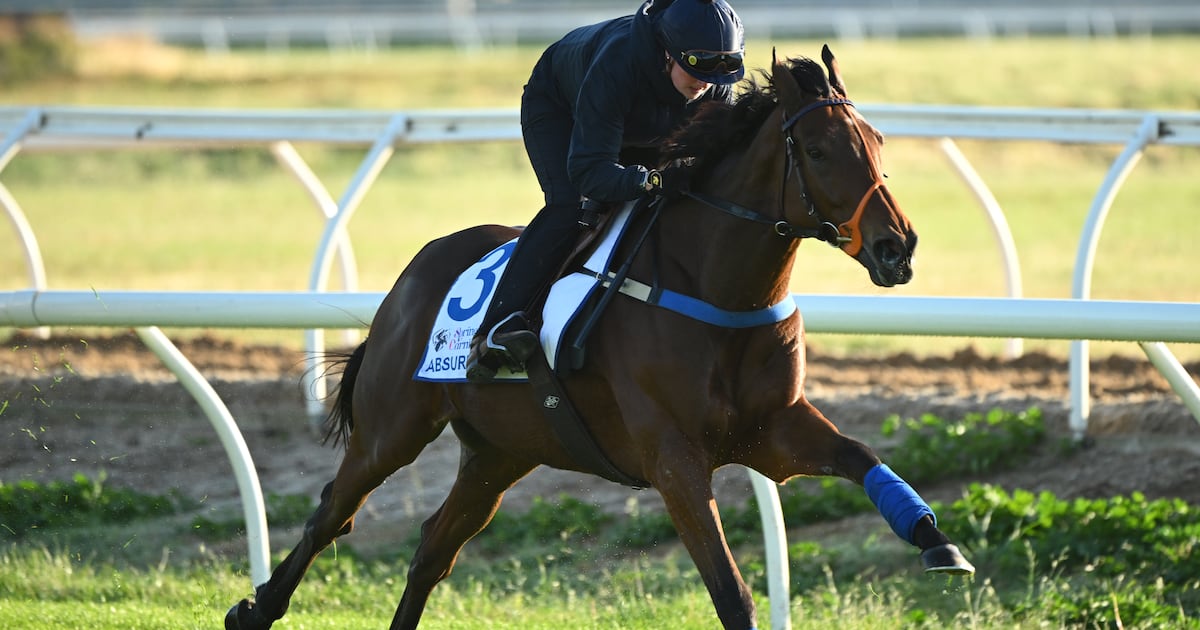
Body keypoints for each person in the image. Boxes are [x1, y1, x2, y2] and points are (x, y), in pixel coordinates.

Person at [464, 0, 746, 383]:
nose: (708, 81)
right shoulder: (619, 63)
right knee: (572, 206)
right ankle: (495, 331)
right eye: (698, 64)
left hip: (639, 117)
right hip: (561, 104)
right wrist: (646, 180)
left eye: (724, 67)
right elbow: (589, 172)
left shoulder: (713, 85)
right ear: (667, 51)